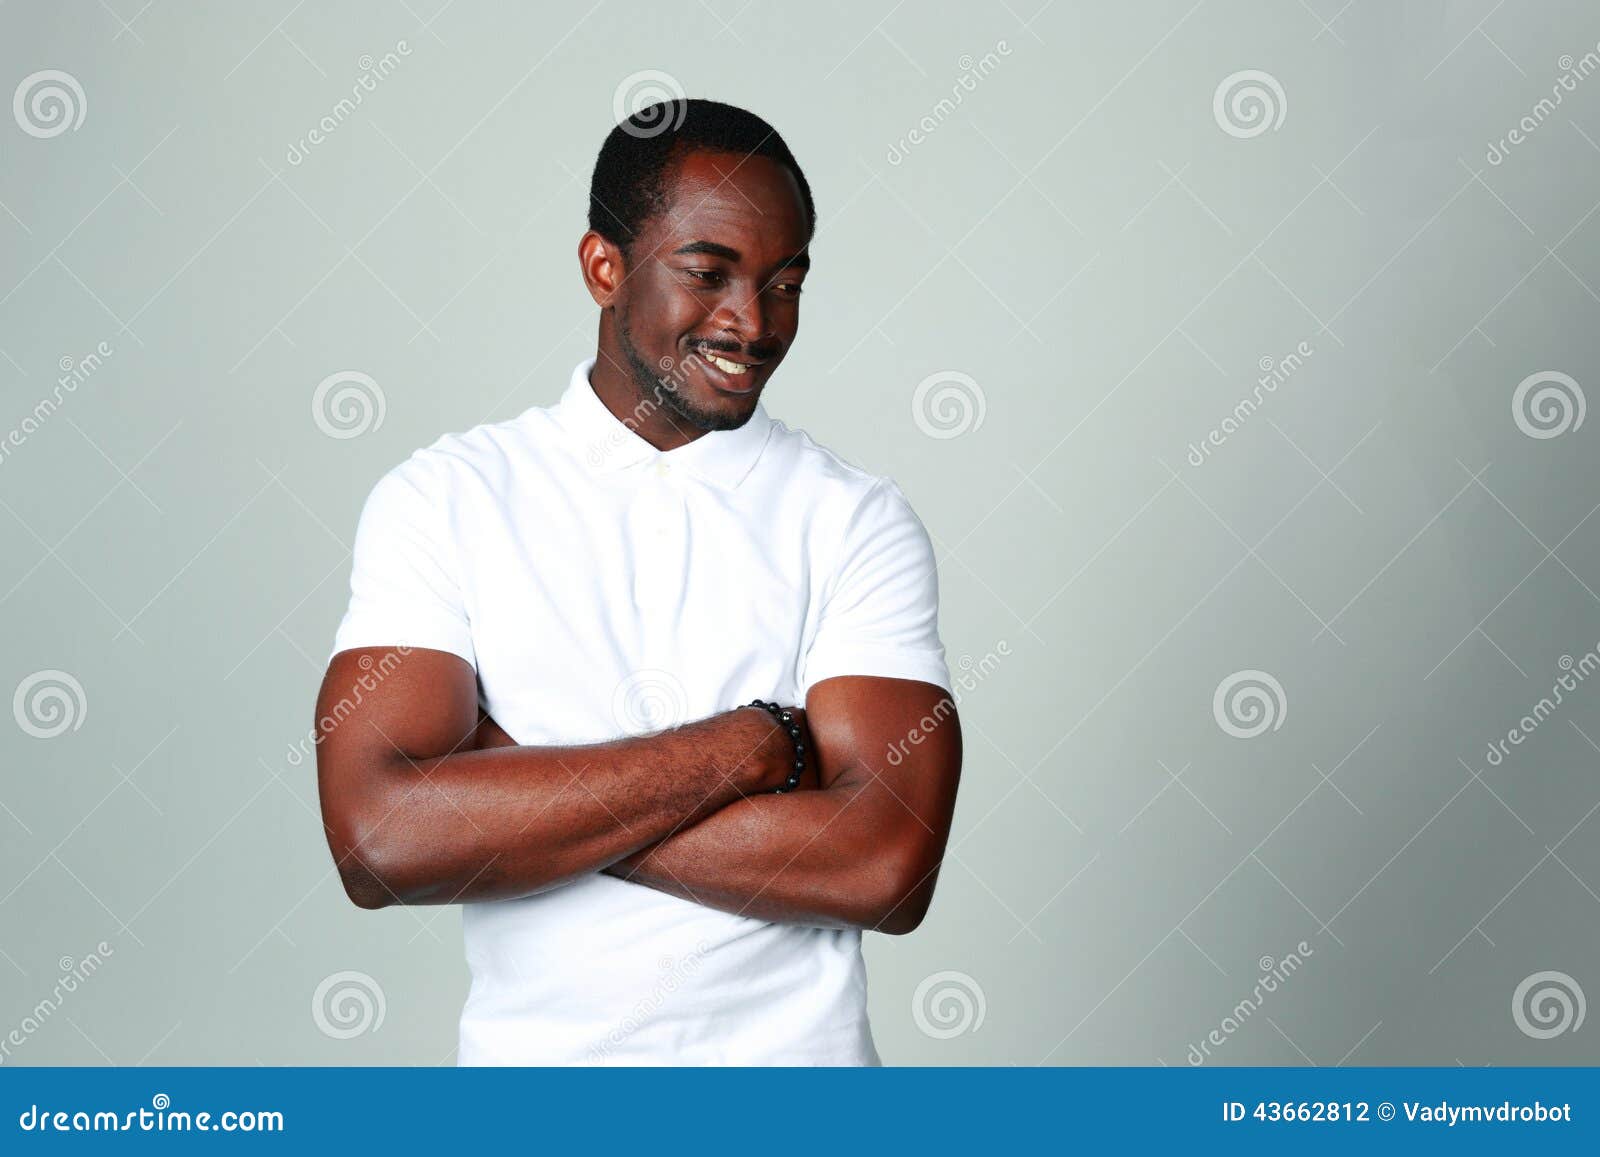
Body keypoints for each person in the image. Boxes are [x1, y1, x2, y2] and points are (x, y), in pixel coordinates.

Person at [314, 98, 962, 1065]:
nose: (753, 323)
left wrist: (520, 782)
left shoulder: (855, 519)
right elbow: (381, 840)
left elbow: (886, 863)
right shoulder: (446, 497)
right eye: (710, 274)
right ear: (603, 267)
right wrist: (750, 745)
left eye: (786, 284)